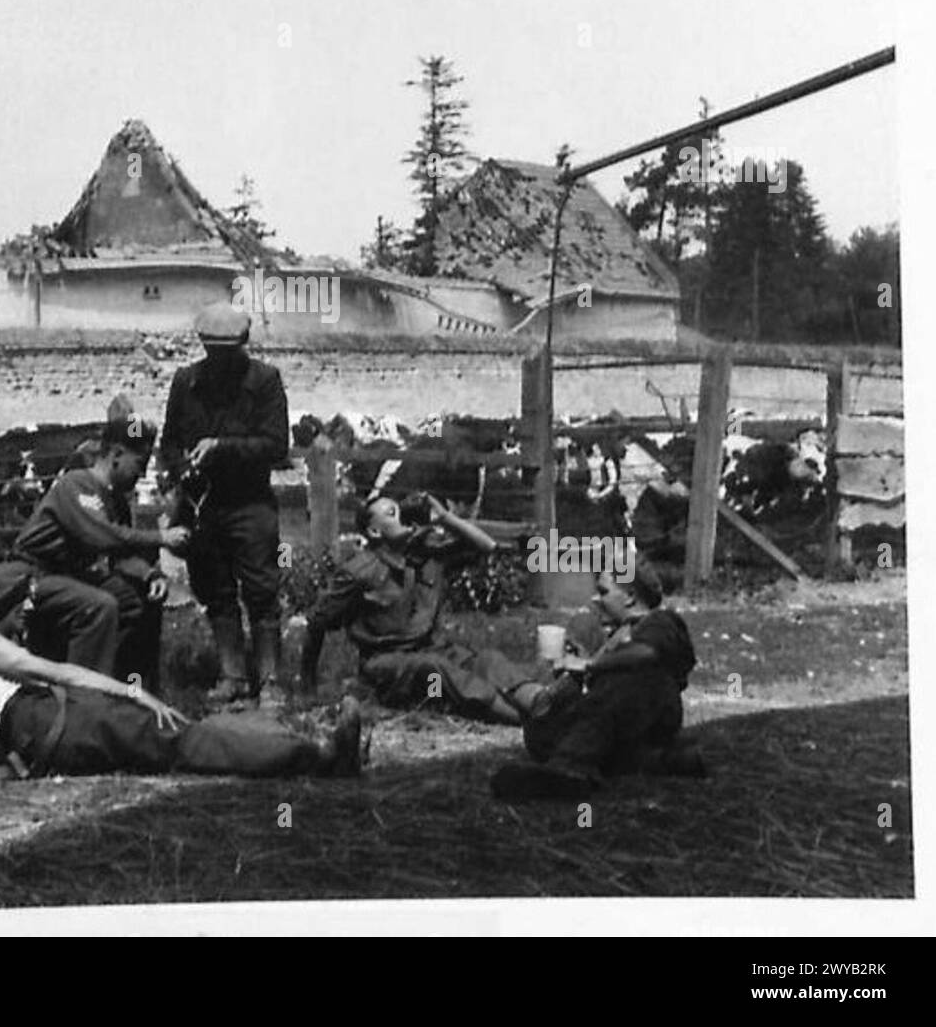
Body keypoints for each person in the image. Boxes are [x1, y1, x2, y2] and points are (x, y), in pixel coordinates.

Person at [0, 563, 363, 779]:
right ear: (1, 607)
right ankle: (321, 759)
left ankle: (305, 747)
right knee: (175, 741)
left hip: (49, 726)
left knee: (179, 733)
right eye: (22, 604)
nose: (29, 610)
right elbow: (63, 673)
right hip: (53, 724)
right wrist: (132, 692)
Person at [299, 492, 557, 726]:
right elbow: (318, 621)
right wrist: (308, 683)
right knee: (436, 668)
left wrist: (444, 517)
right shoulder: (359, 571)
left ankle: (541, 701)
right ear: (374, 532)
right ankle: (530, 722)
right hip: (386, 665)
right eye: (392, 513)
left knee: (488, 659)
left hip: (433, 647)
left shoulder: (428, 554)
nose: (403, 515)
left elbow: (486, 546)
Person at [160, 302, 290, 709]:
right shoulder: (186, 382)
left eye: (227, 350)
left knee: (261, 592)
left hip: (249, 503)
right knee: (216, 592)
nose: (219, 359)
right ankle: (232, 676)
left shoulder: (265, 381)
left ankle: (270, 680)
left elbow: (275, 446)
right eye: (212, 349)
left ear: (243, 345)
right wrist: (182, 469)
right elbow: (169, 443)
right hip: (204, 506)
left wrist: (222, 449)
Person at [490, 562, 705, 799]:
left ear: (630, 597)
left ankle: (569, 768)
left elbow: (647, 653)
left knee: (625, 682)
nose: (596, 599)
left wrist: (589, 665)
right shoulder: (618, 634)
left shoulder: (660, 620)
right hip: (622, 725)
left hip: (649, 706)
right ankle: (668, 760)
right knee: (544, 731)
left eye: (604, 591)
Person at [13, 416, 189, 692]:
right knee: (100, 604)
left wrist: (149, 574)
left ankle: (133, 688)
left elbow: (120, 553)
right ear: (117, 455)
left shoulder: (115, 498)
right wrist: (161, 537)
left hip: (70, 576)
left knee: (141, 599)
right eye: (139, 465)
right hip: (32, 577)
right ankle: (82, 695)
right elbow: (100, 535)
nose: (141, 475)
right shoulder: (77, 484)